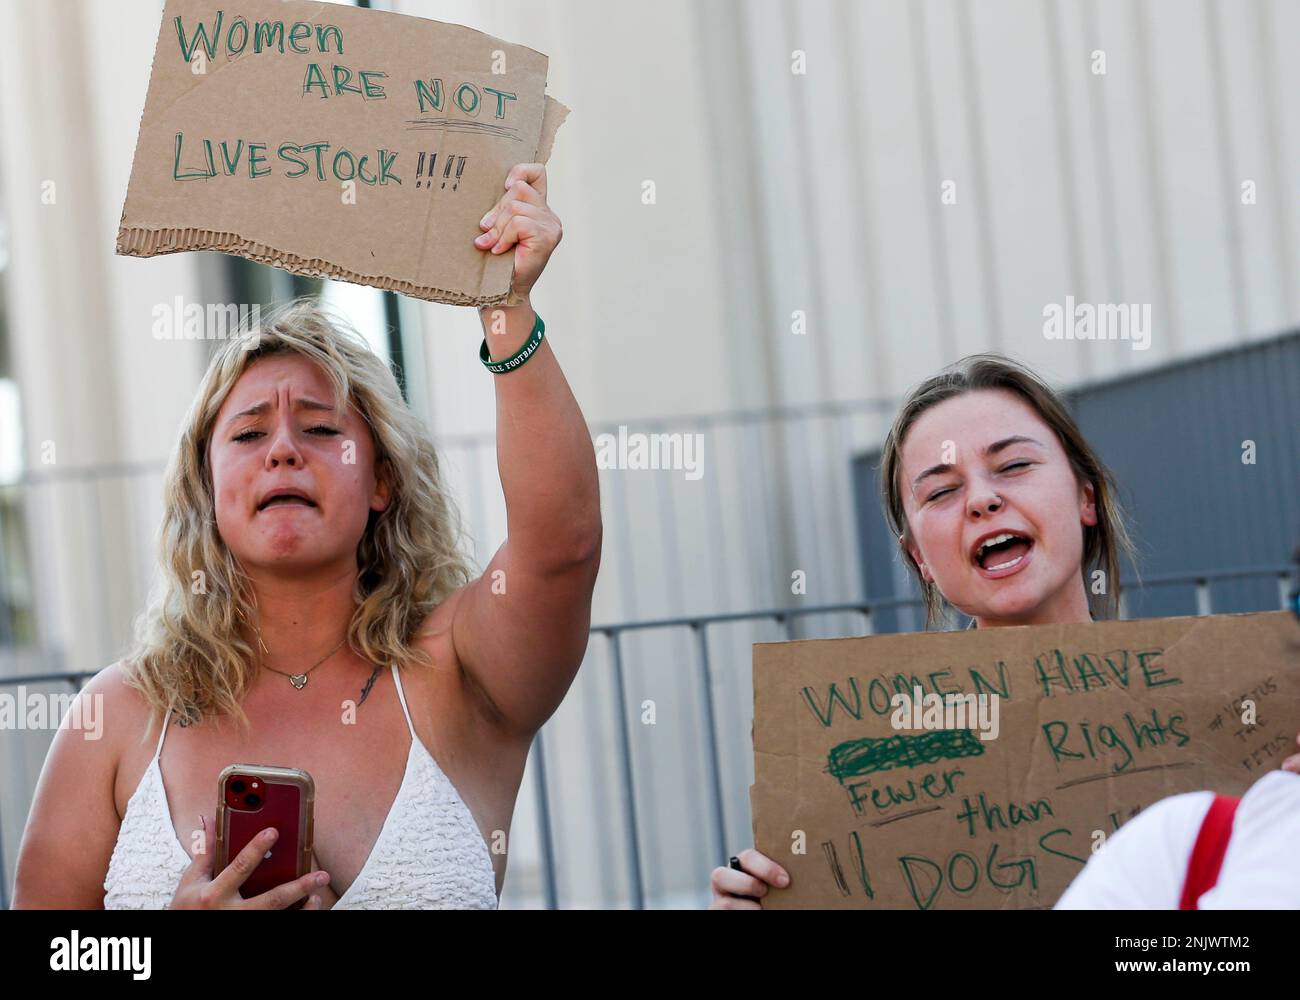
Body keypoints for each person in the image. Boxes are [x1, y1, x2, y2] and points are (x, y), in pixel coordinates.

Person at [13, 163, 602, 909]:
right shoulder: (120, 715)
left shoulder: (460, 669)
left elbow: (564, 546)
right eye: (250, 432)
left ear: (382, 480)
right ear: (208, 486)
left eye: (322, 429)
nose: (284, 449)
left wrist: (507, 305)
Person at [710, 355, 1300, 908]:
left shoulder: (1248, 717)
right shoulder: (844, 775)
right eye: (941, 490)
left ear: (1085, 497)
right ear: (919, 558)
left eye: (1014, 465)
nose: (984, 500)